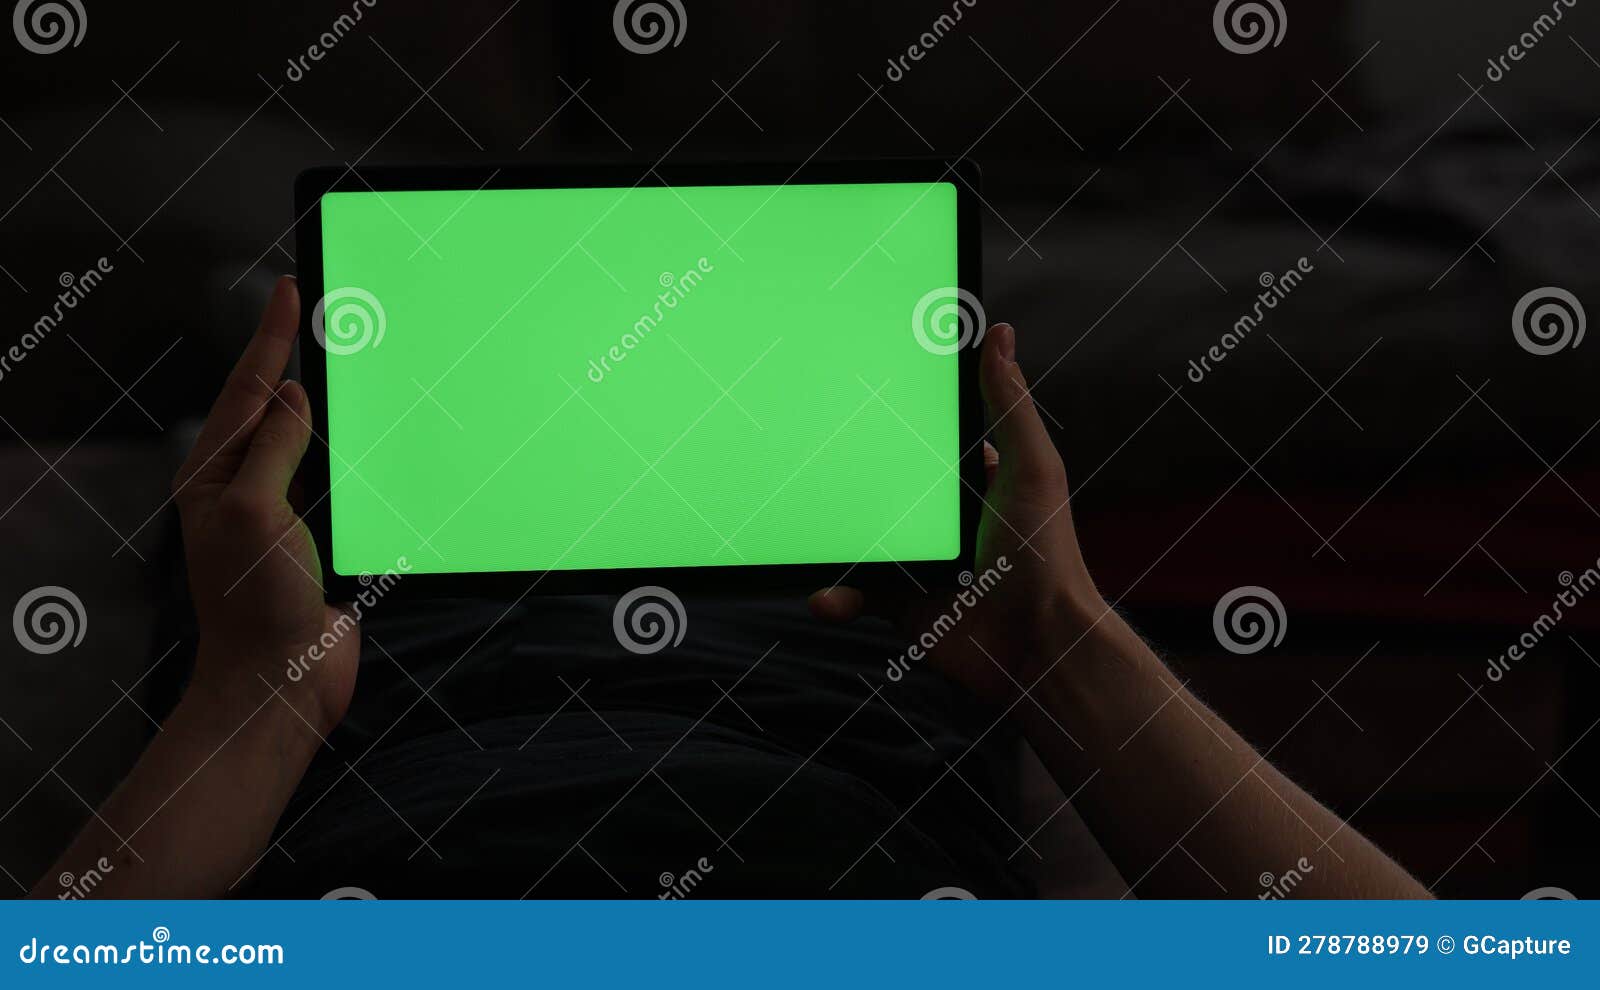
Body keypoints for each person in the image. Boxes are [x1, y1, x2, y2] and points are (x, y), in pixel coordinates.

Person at [30, 277, 1428, 899]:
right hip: (836, 658)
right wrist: (1051, 638)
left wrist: (259, 694)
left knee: (293, 450)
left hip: (390, 675)